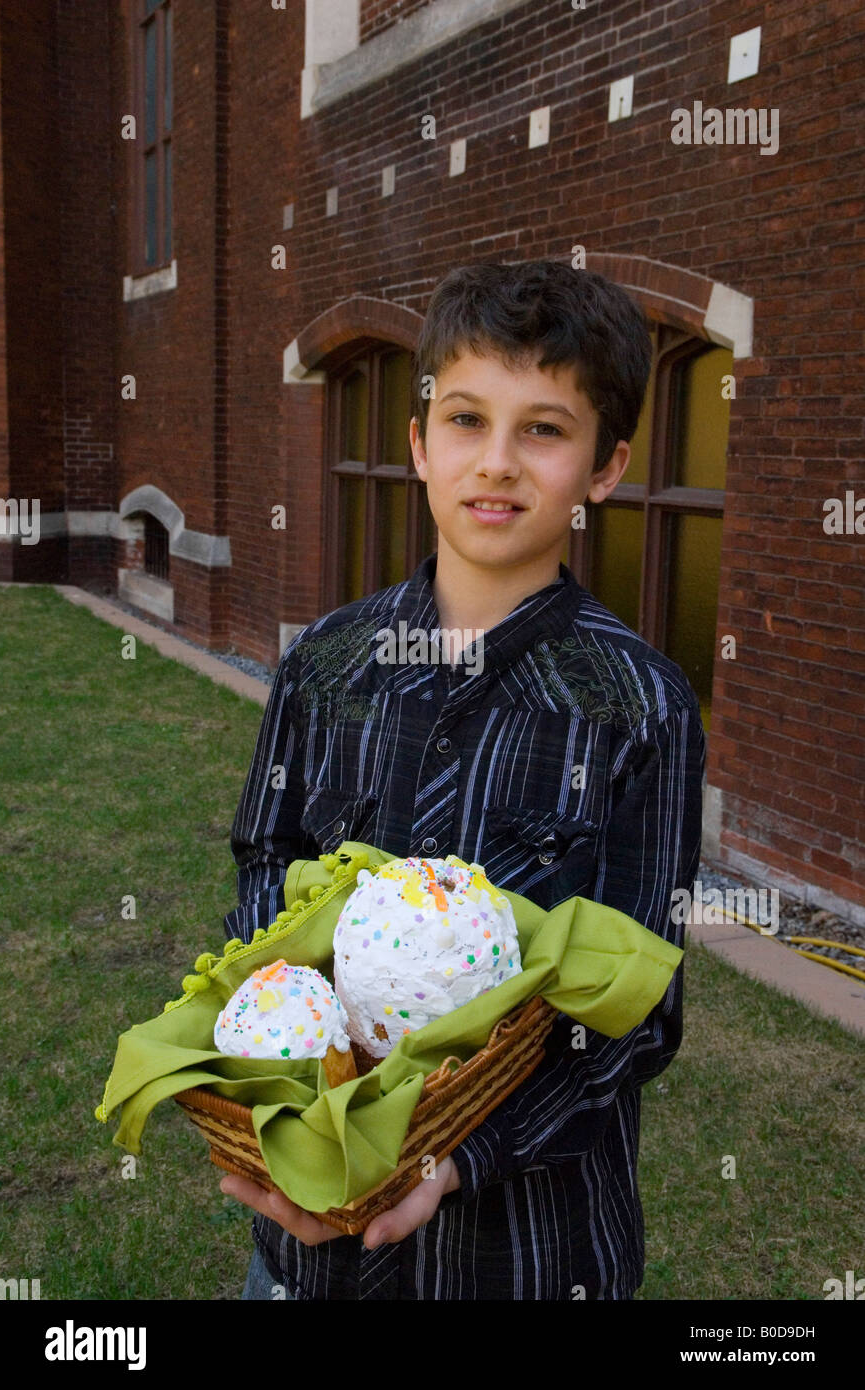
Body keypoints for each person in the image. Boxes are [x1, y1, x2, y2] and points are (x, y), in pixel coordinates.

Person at [221, 259, 706, 1300]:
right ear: (417, 442)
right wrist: (280, 1082)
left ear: (606, 466)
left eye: (544, 428)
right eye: (465, 419)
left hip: (524, 1257)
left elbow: (638, 1008)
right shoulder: (327, 665)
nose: (496, 462)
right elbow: (267, 863)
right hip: (309, 1260)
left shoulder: (642, 706)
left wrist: (454, 1156)